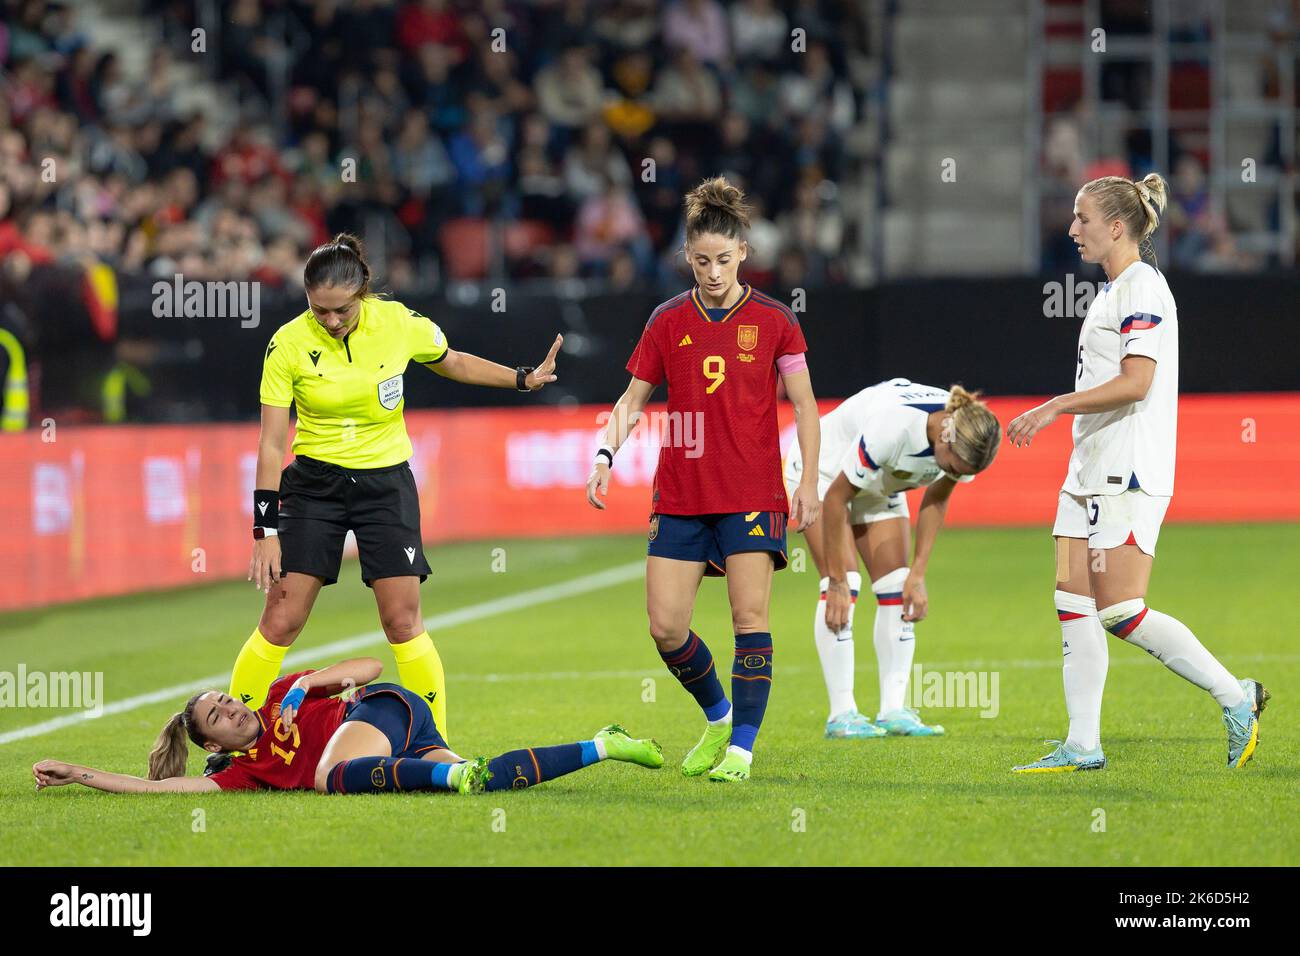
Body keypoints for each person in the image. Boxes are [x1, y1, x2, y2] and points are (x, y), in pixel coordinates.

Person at [233, 233, 564, 749]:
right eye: (319, 311)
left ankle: (436, 746)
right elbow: (272, 444)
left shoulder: (399, 324)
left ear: (363, 291)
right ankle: (238, 751)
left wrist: (521, 379)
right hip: (315, 486)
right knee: (281, 616)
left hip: (384, 485)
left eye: (341, 310)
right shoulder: (288, 344)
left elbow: (450, 359)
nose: (331, 320)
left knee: (402, 620)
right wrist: (264, 527)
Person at [1006, 173, 1268, 772]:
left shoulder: (1142, 288)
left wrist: (1053, 407)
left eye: (1083, 219)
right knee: (1071, 600)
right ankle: (1082, 744)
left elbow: (1137, 382)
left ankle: (1236, 696)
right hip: (1088, 468)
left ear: (1116, 227)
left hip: (1127, 469)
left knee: (1120, 610)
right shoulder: (1112, 291)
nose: (1072, 229)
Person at [585, 176, 822, 783]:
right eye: (700, 261)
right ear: (686, 258)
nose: (712, 272)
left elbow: (805, 406)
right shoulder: (667, 320)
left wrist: (810, 482)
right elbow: (631, 401)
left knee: (750, 618)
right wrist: (605, 455)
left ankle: (741, 749)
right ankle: (718, 716)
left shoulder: (774, 320)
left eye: (722, 259)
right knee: (665, 626)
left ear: (744, 250)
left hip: (750, 490)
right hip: (682, 495)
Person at [31, 657, 664, 795]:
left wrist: (309, 683)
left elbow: (369, 665)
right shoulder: (249, 773)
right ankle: (604, 743)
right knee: (488, 779)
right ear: (211, 744)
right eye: (216, 717)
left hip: (385, 707)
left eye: (225, 699)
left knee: (330, 776)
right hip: (396, 746)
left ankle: (451, 779)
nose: (230, 709)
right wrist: (77, 774)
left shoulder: (283, 694)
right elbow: (157, 790)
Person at [784, 379, 1001, 738]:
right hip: (824, 475)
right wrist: (836, 579)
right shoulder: (893, 428)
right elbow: (837, 499)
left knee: (898, 588)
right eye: (955, 465)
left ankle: (893, 710)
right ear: (944, 437)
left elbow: (938, 497)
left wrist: (919, 574)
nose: (959, 473)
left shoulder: (969, 440)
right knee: (845, 587)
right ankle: (842, 714)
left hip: (879, 483)